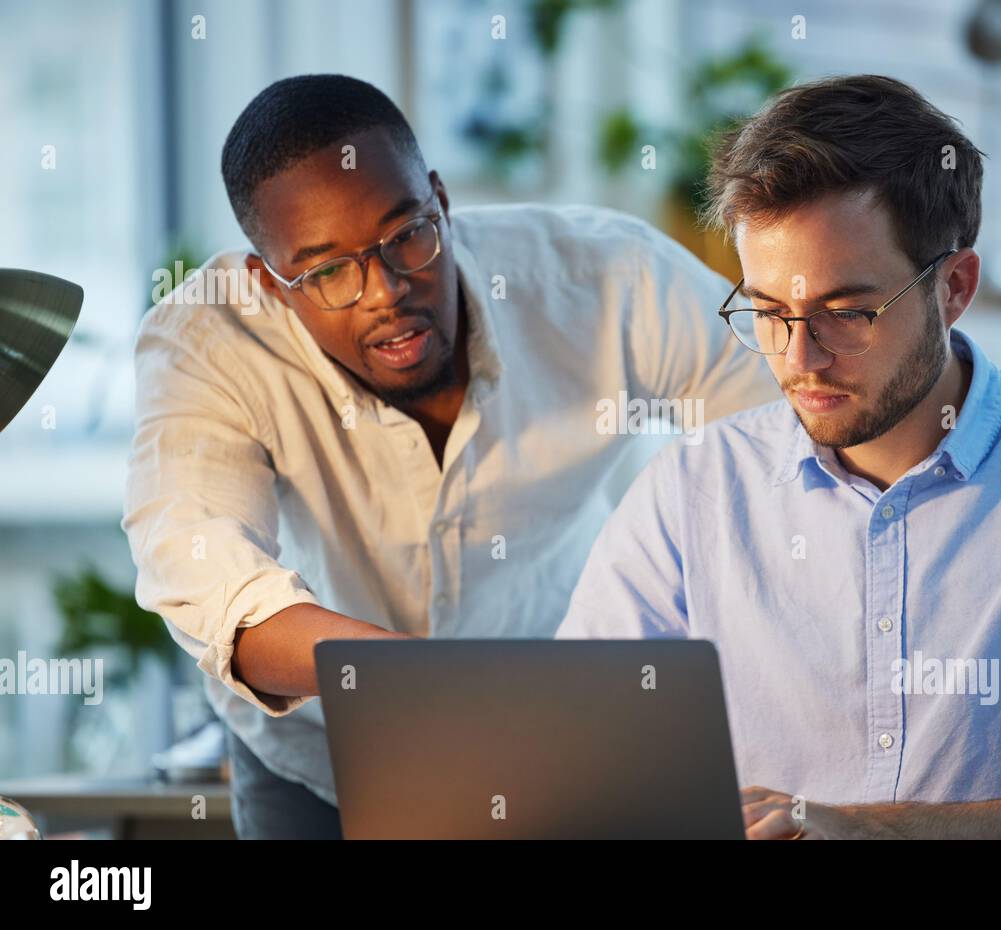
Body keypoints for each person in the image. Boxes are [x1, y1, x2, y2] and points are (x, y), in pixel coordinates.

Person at [557, 75, 1001, 840]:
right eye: (769, 312)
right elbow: (585, 770)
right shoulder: (690, 490)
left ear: (954, 287)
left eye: (846, 312)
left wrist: (870, 832)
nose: (800, 356)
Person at [122, 74, 777, 838]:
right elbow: (207, 576)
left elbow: (780, 431)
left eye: (406, 234)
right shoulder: (207, 345)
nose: (385, 292)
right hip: (317, 758)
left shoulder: (603, 279)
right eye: (328, 270)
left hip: (553, 736)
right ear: (271, 283)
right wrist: (422, 683)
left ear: (439, 196)